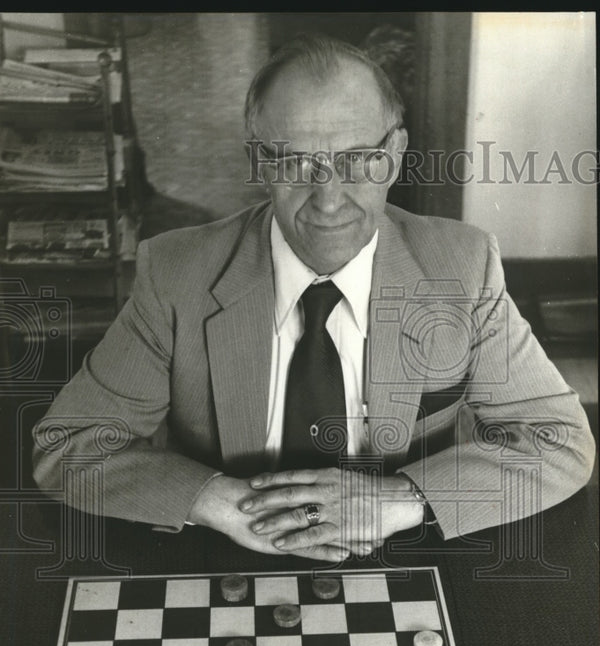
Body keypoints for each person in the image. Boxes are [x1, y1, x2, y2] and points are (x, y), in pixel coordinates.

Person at [32, 34, 595, 563]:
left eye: (357, 159)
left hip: (403, 547)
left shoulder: (463, 268)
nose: (329, 199)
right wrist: (215, 500)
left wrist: (400, 500)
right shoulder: (176, 273)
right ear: (259, 162)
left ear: (394, 154)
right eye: (295, 161)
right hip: (223, 547)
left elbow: (559, 441)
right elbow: (69, 447)